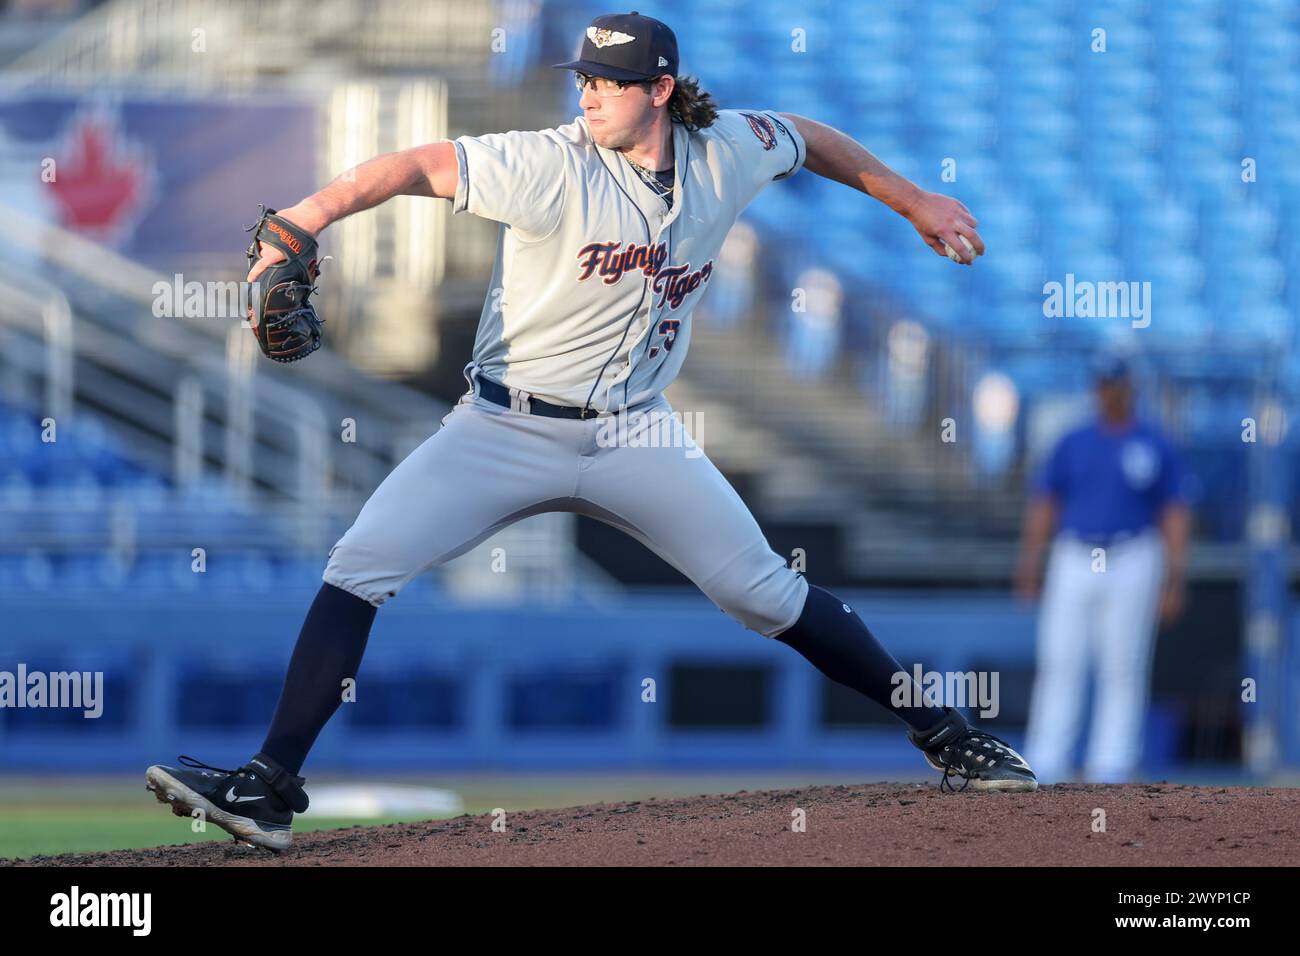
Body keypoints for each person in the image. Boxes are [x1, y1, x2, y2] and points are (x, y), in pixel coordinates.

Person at [145, 11, 1035, 851]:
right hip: (503, 425)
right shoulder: (546, 161)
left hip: (637, 435)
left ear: (660, 88)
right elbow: (413, 165)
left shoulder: (728, 149)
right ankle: (270, 788)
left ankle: (948, 736)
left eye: (608, 81)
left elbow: (809, 136)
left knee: (764, 594)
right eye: (584, 78)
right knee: (359, 565)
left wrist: (914, 200)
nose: (588, 94)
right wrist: (305, 217)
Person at [1015, 352, 1191, 784]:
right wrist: (1030, 561)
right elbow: (1045, 503)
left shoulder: (1154, 442)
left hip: (1133, 554)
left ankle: (1111, 764)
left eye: (1116, 383)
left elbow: (1175, 511)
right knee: (1061, 658)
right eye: (1103, 383)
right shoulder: (1073, 440)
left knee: (1123, 663)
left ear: (1130, 386)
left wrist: (1175, 575)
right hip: (1075, 554)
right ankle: (1048, 758)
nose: (1109, 391)